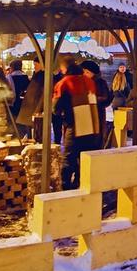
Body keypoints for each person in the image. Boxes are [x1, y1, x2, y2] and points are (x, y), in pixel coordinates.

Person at [52, 60, 100, 189]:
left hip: (75, 124)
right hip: (92, 125)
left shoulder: (65, 82)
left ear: (66, 69)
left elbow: (55, 108)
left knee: (68, 156)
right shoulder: (89, 81)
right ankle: (82, 182)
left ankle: (65, 187)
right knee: (85, 157)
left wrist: (59, 113)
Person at [81, 60, 111, 148]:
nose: (84, 74)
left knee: (95, 141)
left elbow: (106, 99)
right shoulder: (82, 82)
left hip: (97, 116)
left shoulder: (101, 83)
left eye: (87, 72)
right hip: (84, 116)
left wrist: (91, 99)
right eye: (83, 72)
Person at [15, 61, 45, 141]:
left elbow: (43, 94)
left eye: (35, 64)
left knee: (35, 131)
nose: (34, 66)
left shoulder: (43, 76)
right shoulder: (36, 75)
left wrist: (38, 109)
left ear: (41, 64)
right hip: (29, 106)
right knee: (29, 130)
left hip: (34, 107)